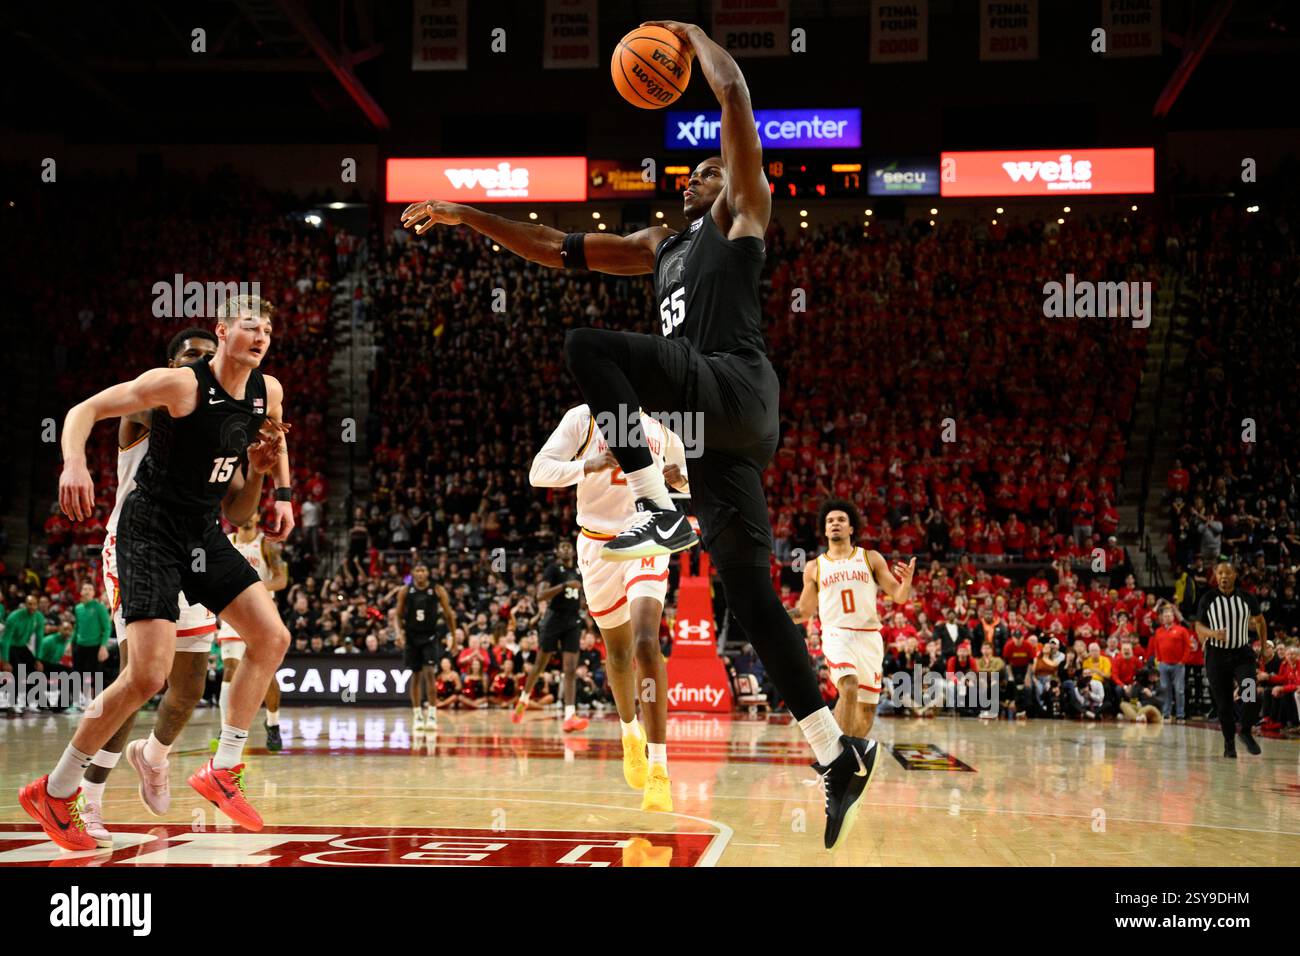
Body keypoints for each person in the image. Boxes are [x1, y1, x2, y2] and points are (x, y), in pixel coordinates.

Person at [402, 19, 877, 851]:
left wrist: (694, 41)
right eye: (690, 174)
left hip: (735, 380)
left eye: (710, 170)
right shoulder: (658, 246)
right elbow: (553, 247)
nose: (699, 178)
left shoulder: (741, 214)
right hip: (710, 432)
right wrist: (469, 215)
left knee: (587, 347)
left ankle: (657, 506)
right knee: (753, 594)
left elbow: (733, 95)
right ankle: (835, 751)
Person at [20, 296, 295, 851]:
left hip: (202, 529)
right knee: (146, 676)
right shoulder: (180, 386)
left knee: (271, 636)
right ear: (223, 332)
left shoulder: (269, 390)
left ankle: (223, 768)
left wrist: (281, 489)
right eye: (249, 326)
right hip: (148, 530)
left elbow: (275, 436)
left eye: (267, 328)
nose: (261, 335)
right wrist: (73, 462)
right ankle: (59, 787)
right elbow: (81, 411)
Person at [78, 329, 279, 849]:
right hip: (137, 544)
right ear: (170, 366)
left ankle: (155, 756)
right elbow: (100, 406)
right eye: (190, 357)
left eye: (206, 358)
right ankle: (87, 796)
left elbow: (239, 510)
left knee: (188, 686)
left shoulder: (219, 421)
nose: (202, 364)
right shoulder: (152, 404)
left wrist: (259, 471)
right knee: (140, 678)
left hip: (195, 547)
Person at [527, 403, 688, 810]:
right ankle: (629, 731)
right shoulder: (584, 417)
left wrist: (679, 480)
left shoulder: (667, 429)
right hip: (597, 544)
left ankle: (659, 768)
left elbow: (689, 485)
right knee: (617, 653)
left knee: (646, 643)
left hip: (648, 536)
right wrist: (589, 464)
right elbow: (538, 471)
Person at [789, 499, 915, 739]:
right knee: (848, 685)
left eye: (841, 520)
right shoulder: (815, 566)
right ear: (825, 530)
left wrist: (906, 583)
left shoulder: (871, 558)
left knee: (866, 710)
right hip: (837, 634)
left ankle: (842, 752)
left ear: (851, 528)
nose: (835, 523)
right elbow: (804, 612)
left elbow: (898, 596)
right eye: (830, 521)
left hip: (869, 638)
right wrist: (773, 614)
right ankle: (839, 761)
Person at [213, 511, 290, 750]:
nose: (247, 516)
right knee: (230, 668)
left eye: (252, 512)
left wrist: (253, 587)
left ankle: (273, 724)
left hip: (262, 613)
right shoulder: (226, 543)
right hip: (233, 611)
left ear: (257, 517)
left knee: (266, 675)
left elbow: (281, 579)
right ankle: (226, 728)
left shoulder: (265, 544)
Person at [512, 541, 590, 733]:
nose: (565, 550)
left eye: (567, 547)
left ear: (573, 550)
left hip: (572, 621)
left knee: (570, 669)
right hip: (553, 620)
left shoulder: (580, 569)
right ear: (557, 552)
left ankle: (570, 716)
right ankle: (524, 698)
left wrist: (585, 604)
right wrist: (563, 586)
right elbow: (540, 596)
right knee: (540, 664)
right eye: (561, 547)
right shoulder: (553, 569)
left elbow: (581, 595)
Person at [1194, 562, 1267, 758]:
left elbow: (1260, 621)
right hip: (1217, 656)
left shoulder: (1247, 598)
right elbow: (1198, 626)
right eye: (1220, 573)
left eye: (1227, 573)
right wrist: (1212, 633)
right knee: (1224, 705)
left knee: (1251, 691)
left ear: (1234, 575)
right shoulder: (1208, 598)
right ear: (1216, 576)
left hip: (1242, 653)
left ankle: (1245, 730)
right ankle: (1229, 744)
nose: (1223, 576)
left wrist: (1264, 646)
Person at [395, 563, 458, 733]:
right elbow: (397, 615)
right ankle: (417, 715)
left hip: (430, 636)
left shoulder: (437, 590)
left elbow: (449, 614)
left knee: (429, 673)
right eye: (417, 570)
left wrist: (454, 637)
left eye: (423, 570)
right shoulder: (405, 591)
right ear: (413, 573)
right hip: (411, 637)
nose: (421, 573)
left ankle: (432, 714)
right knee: (415, 675)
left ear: (428, 573)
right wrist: (398, 634)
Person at [69, 583, 112, 711]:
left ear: (94, 593)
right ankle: (81, 700)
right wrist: (71, 643)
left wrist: (103, 646)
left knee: (94, 674)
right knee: (77, 674)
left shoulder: (99, 607)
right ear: (81, 592)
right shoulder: (78, 608)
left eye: (90, 589)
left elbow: (107, 627)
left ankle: (94, 702)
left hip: (95, 646)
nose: (87, 591)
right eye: (84, 588)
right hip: (79, 645)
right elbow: (77, 627)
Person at [1149, 604, 1191, 722]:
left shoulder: (1181, 630)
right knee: (1165, 689)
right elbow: (1156, 647)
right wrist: (1159, 659)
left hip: (1178, 665)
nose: (1167, 617)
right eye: (1165, 615)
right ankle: (1166, 713)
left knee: (1179, 690)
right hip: (1163, 664)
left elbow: (1188, 647)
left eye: (1169, 615)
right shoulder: (1158, 631)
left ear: (1173, 617)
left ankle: (1180, 714)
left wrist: (1183, 661)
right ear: (1162, 618)